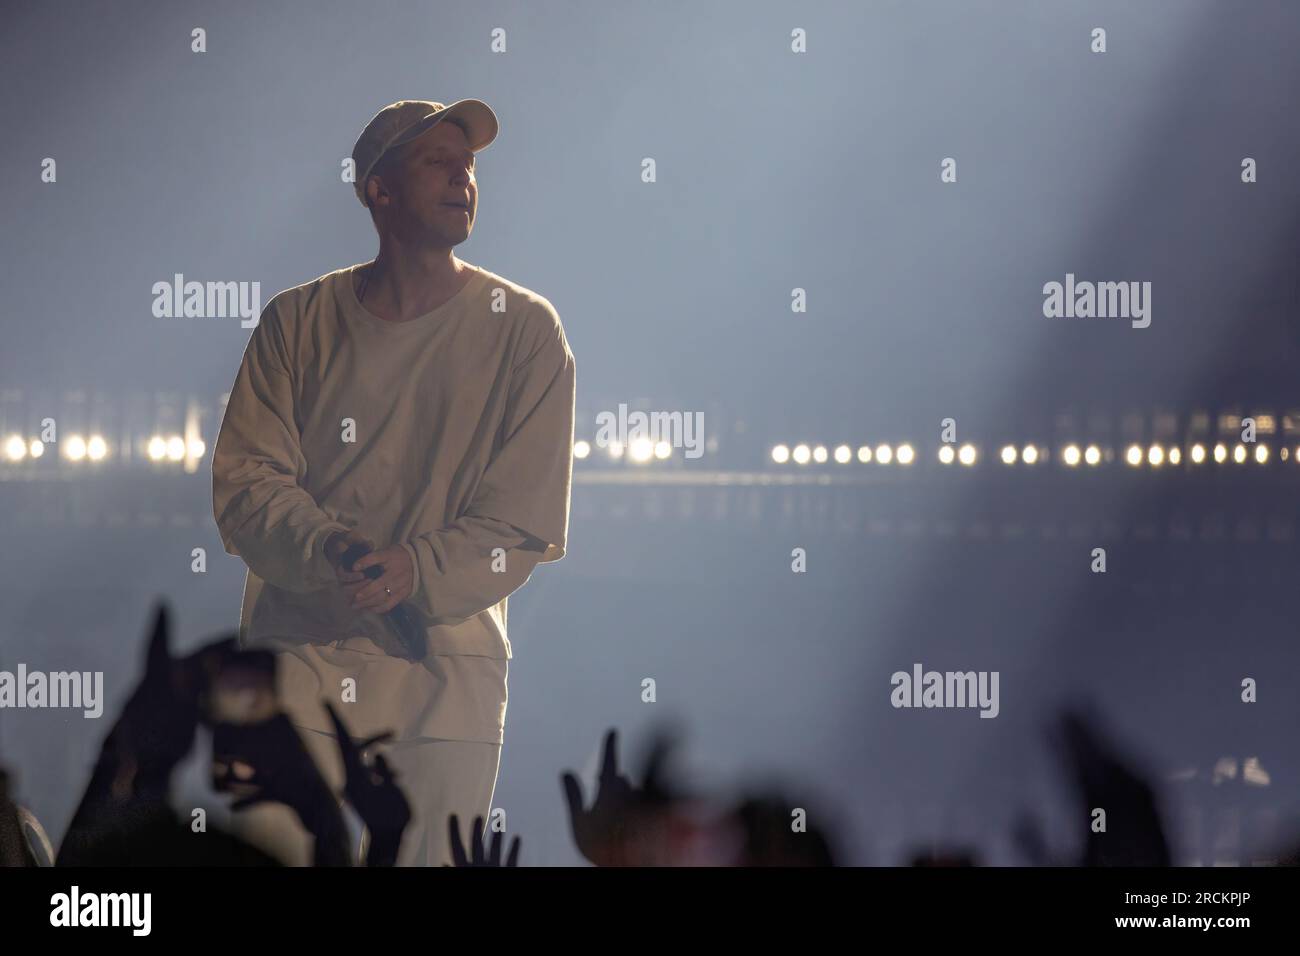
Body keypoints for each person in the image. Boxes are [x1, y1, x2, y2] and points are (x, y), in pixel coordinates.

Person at [210, 99, 576, 866]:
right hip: (295, 665)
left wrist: (415, 571)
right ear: (378, 189)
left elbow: (522, 525)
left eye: (468, 164)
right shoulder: (294, 322)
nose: (463, 178)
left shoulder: (525, 330)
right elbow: (249, 485)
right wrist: (330, 550)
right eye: (437, 162)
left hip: (445, 680)